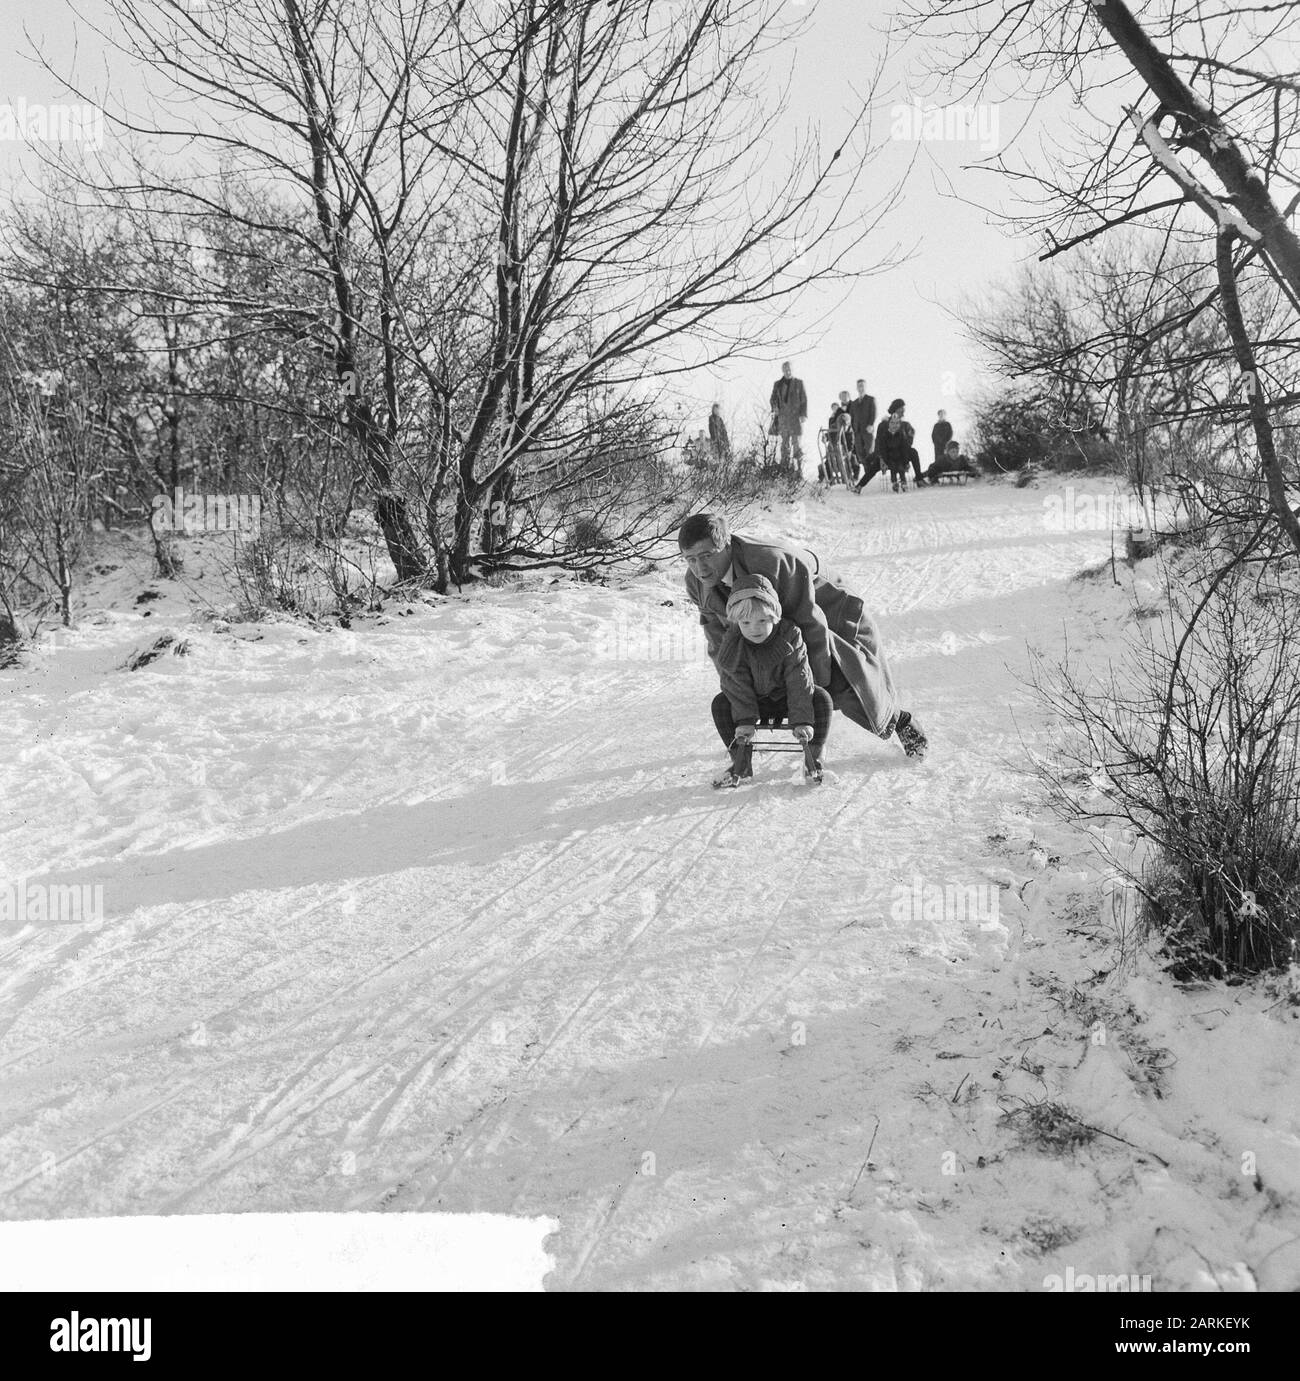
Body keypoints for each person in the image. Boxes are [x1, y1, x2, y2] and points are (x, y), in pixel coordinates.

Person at [678, 512, 929, 759]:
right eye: (690, 559)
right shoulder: (696, 581)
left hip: (829, 608)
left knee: (843, 682)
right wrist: (739, 687)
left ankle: (900, 721)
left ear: (727, 545)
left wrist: (810, 692)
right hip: (767, 622)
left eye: (707, 556)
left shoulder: (772, 561)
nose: (700, 568)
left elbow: (810, 624)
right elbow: (720, 641)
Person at [711, 574, 833, 786]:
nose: (754, 629)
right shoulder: (734, 641)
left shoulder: (789, 635)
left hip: (787, 698)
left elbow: (799, 677)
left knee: (821, 698)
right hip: (755, 700)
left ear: (774, 616)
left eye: (762, 620)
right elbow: (735, 682)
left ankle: (814, 756)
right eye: (746, 622)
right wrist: (745, 720)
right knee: (721, 703)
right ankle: (740, 760)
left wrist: (802, 720)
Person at [769, 361, 808, 475]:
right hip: (783, 419)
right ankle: (785, 469)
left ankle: (799, 470)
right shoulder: (778, 384)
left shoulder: (799, 383)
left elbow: (804, 399)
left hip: (796, 419)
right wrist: (775, 408)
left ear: (793, 369)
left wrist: (803, 414)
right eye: (785, 369)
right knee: (784, 445)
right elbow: (773, 399)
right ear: (783, 370)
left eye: (789, 369)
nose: (788, 371)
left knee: (797, 445)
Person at [875, 403, 918, 493]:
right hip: (889, 454)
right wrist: (882, 458)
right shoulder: (883, 425)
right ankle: (894, 482)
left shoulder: (905, 425)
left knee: (901, 466)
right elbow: (880, 442)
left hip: (901, 454)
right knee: (893, 467)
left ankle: (904, 482)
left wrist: (911, 435)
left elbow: (907, 444)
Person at [847, 381, 876, 487]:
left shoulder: (870, 399)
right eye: (859, 386)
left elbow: (873, 413)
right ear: (856, 388)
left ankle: (871, 474)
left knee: (870, 452)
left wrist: (871, 424)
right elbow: (851, 417)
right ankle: (867, 472)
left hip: (867, 430)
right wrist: (852, 428)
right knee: (860, 454)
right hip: (857, 432)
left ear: (865, 387)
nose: (860, 388)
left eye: (862, 386)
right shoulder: (854, 403)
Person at [823, 396, 852, 485]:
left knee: (845, 462)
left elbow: (851, 440)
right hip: (834, 446)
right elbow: (828, 434)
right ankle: (831, 479)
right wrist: (825, 437)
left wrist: (849, 450)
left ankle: (847, 479)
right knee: (829, 461)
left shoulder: (849, 430)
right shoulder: (834, 426)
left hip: (844, 448)